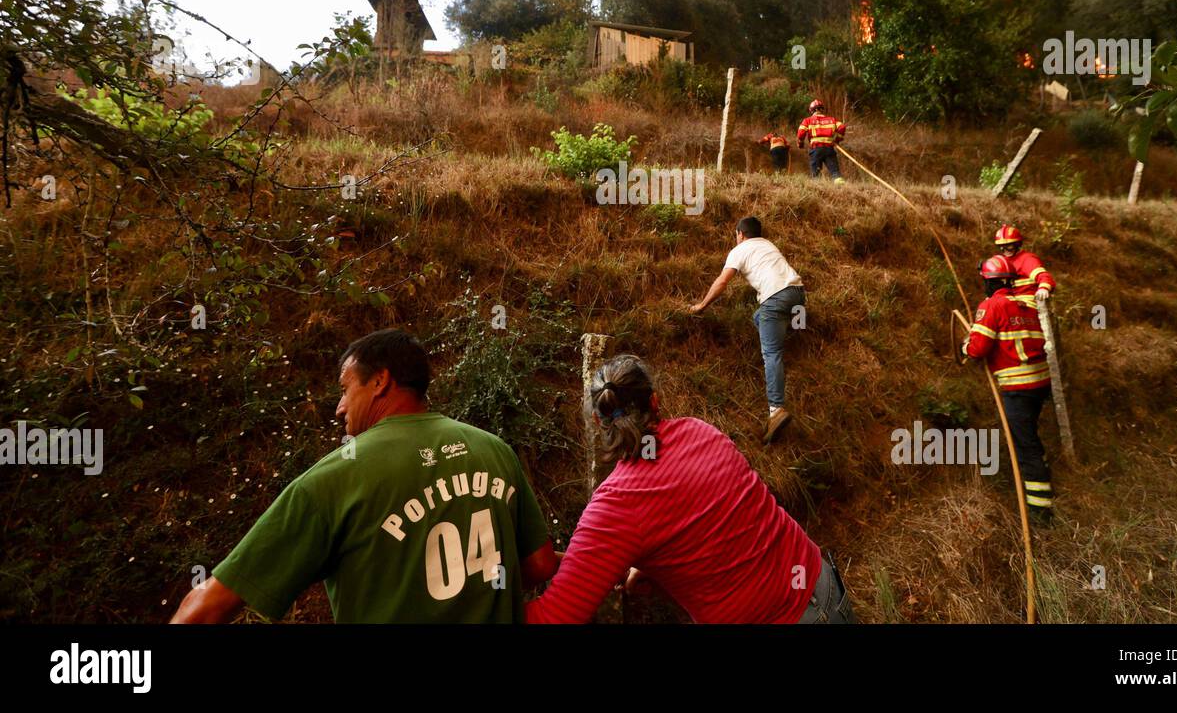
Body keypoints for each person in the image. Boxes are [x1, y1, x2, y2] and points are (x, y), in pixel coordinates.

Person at [169, 329, 557, 623]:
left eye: (344, 389)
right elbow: (538, 565)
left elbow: (205, 608)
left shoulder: (333, 479)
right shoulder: (494, 450)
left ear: (380, 381)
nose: (339, 408)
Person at [525, 354, 854, 624]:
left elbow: (553, 617)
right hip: (821, 586)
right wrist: (652, 565)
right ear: (654, 402)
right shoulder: (701, 431)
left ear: (599, 423)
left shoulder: (615, 507)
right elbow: (718, 521)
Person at [688, 216, 805, 444]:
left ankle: (776, 410)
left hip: (775, 298)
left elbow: (722, 282)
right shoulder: (768, 245)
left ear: (740, 233)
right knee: (759, 317)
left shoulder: (739, 251)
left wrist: (702, 305)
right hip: (797, 294)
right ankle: (783, 332)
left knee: (771, 354)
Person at [963, 256, 1055, 525]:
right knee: (1030, 436)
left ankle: (1040, 513)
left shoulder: (992, 305)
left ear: (989, 282)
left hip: (1018, 388)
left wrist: (964, 348)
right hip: (1039, 386)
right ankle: (1043, 472)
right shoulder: (1026, 306)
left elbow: (978, 348)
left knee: (1024, 447)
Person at [994, 224, 1057, 310]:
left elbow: (1045, 277)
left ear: (1017, 244)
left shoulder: (1027, 259)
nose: (1005, 250)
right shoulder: (1002, 262)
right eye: (1001, 247)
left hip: (1027, 306)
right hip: (1009, 303)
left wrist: (1043, 288)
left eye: (1009, 246)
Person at [796, 99, 846, 183]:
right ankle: (841, 186)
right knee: (835, 172)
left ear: (811, 110)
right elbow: (842, 127)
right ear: (822, 109)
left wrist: (800, 143)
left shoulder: (807, 120)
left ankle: (818, 189)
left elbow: (801, 133)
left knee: (816, 173)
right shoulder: (831, 120)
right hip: (829, 149)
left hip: (816, 149)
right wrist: (837, 139)